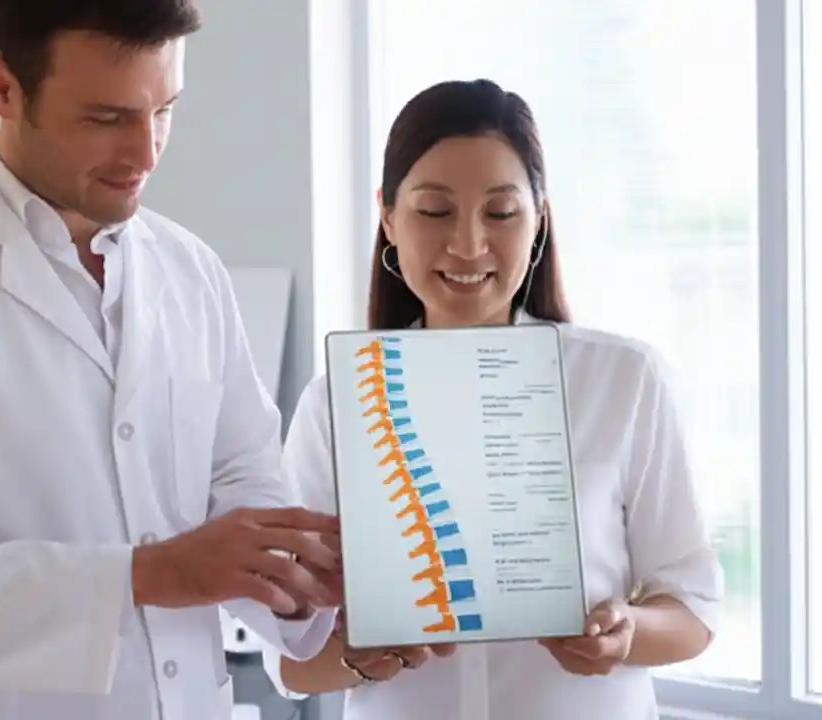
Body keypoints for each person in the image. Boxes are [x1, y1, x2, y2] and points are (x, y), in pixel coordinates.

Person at [0, 2, 342, 719]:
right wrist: (144, 577)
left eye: (164, 110)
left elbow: (241, 479)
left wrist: (308, 582)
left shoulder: (190, 269)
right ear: (2, 87)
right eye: (107, 118)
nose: (146, 153)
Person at [261, 79, 723, 719]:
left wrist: (626, 634)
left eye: (501, 213)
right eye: (434, 211)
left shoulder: (623, 381)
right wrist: (360, 654)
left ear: (539, 220)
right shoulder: (336, 405)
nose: (469, 244)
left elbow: (694, 609)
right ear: (388, 217)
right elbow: (288, 662)